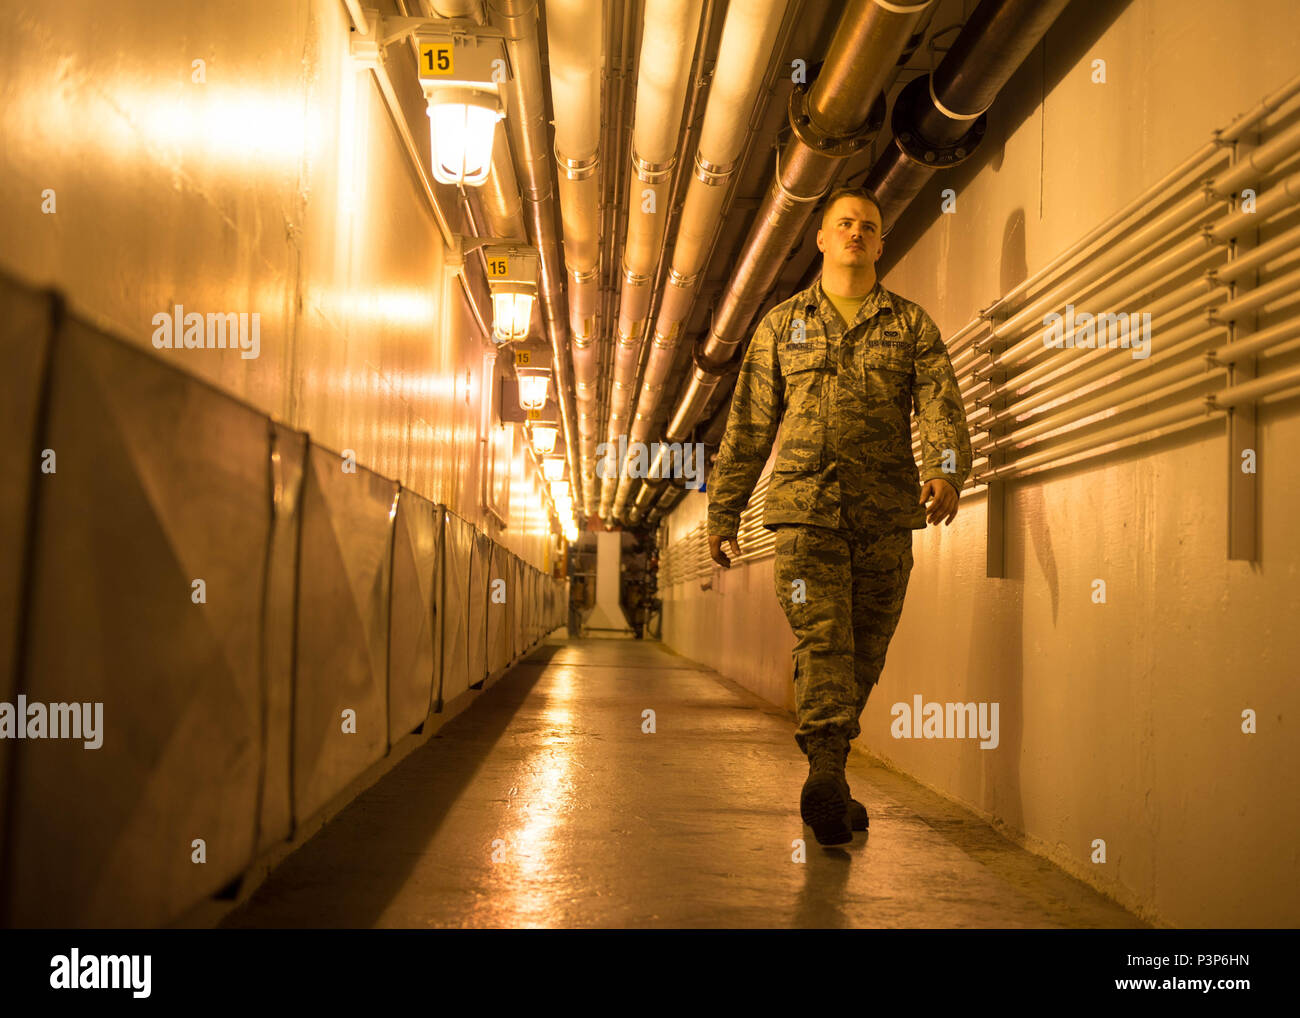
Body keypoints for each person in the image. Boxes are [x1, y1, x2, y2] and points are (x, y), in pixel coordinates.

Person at [706, 185, 972, 846]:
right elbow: (748, 427)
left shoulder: (910, 326)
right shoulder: (781, 326)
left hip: (886, 517)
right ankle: (824, 774)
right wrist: (724, 511)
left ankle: (834, 777)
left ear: (881, 244)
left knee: (864, 652)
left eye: (868, 226)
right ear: (822, 239)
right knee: (823, 638)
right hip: (806, 515)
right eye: (843, 224)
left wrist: (943, 470)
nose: (856, 233)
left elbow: (940, 402)